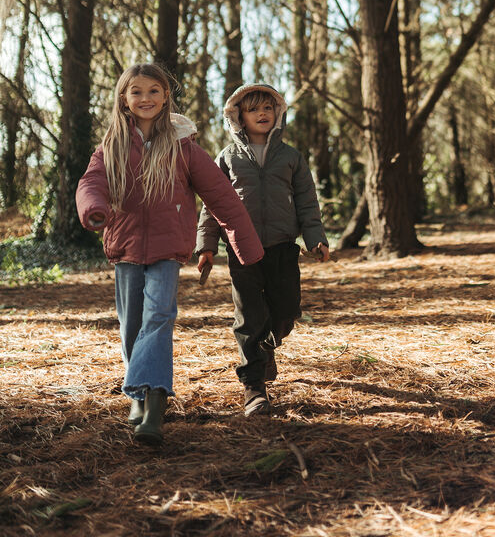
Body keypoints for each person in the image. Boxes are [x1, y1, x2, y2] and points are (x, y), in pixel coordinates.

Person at [76, 63, 263, 445]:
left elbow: (222, 197)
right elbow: (92, 180)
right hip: (125, 245)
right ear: (125, 100)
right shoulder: (112, 144)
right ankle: (138, 394)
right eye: (137, 92)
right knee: (131, 326)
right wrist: (94, 206)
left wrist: (245, 245)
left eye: (154, 91)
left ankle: (155, 400)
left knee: (159, 317)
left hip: (167, 247)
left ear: (165, 97)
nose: (145, 98)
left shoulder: (184, 148)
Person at [195, 83, 330, 417]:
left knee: (287, 310)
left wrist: (315, 237)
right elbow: (212, 204)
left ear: (278, 114)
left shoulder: (291, 157)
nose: (261, 114)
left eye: (268, 108)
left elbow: (306, 200)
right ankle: (254, 387)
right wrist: (207, 245)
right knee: (250, 316)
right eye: (253, 109)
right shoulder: (227, 157)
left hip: (283, 246)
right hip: (241, 248)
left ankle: (268, 345)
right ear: (238, 116)